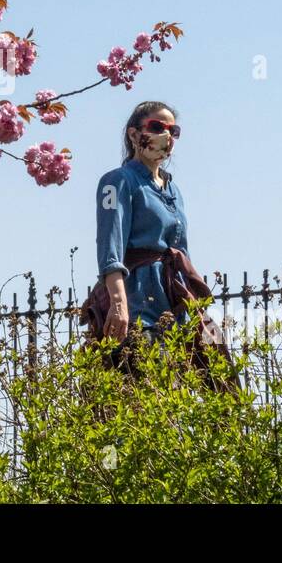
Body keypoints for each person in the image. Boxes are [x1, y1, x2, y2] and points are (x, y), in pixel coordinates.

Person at [94, 101, 191, 371]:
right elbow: (109, 246)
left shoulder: (175, 191)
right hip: (138, 302)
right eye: (157, 127)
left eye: (174, 130)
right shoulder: (117, 181)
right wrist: (118, 304)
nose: (167, 135)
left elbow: (183, 253)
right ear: (134, 134)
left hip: (172, 305)